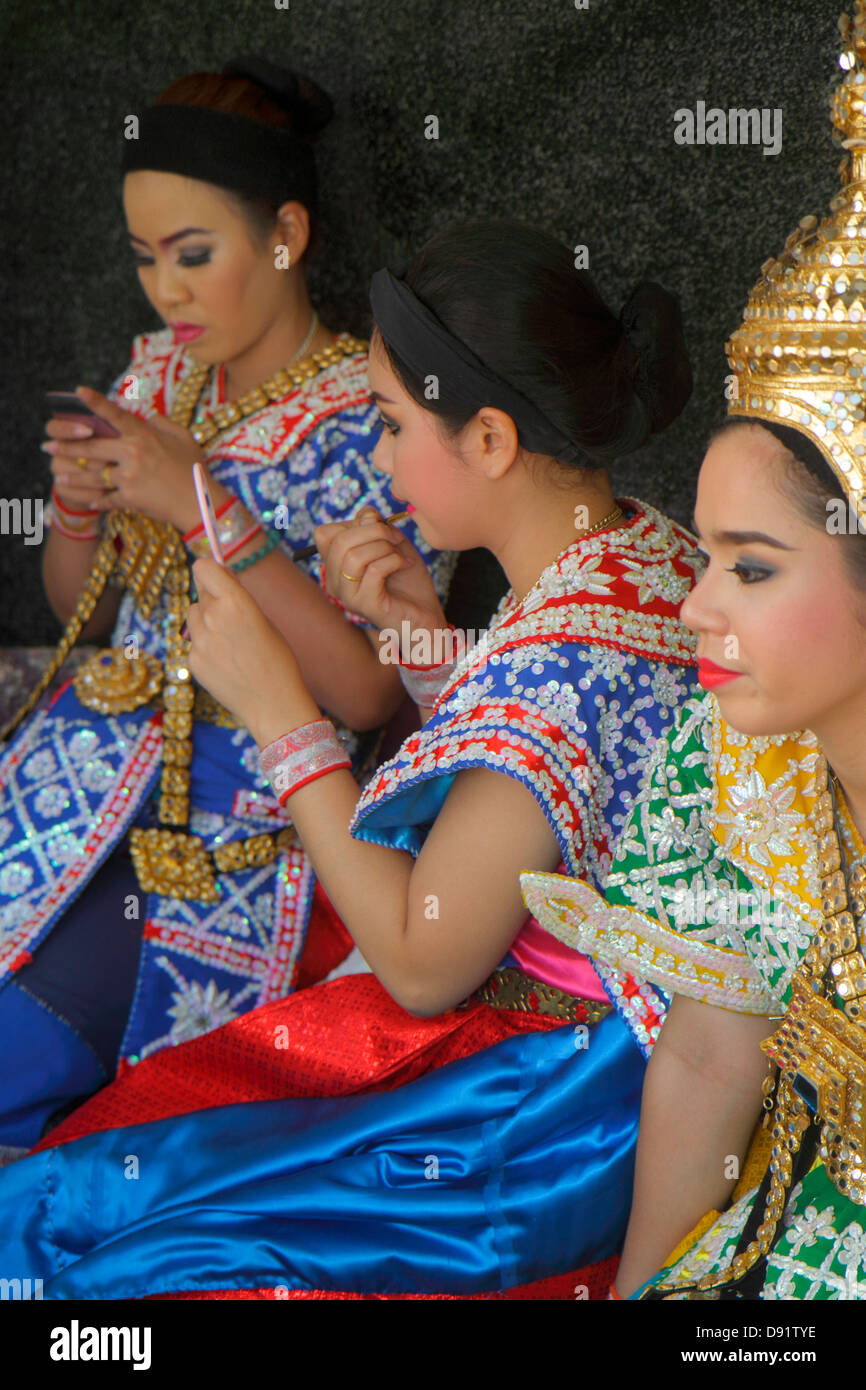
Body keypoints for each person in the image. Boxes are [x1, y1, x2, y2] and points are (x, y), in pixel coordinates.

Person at [0, 219, 700, 1300]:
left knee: (116, 1252)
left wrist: (283, 713)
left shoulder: (562, 656)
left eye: (387, 423)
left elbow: (425, 963)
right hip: (592, 1060)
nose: (374, 457)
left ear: (492, 441)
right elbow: (547, 802)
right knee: (116, 1175)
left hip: (534, 1112)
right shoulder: (640, 551)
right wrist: (423, 637)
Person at [0, 55, 452, 1161]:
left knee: (29, 1048)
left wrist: (203, 503)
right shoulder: (159, 377)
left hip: (227, 821)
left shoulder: (370, 413)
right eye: (146, 258)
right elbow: (86, 614)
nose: (167, 292)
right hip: (69, 772)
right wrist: (73, 514)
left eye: (194, 256)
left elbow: (363, 688)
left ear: (286, 236)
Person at [523, 9, 866, 1300]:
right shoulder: (735, 765)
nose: (692, 607)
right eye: (706, 552)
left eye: (752, 565)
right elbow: (714, 1058)